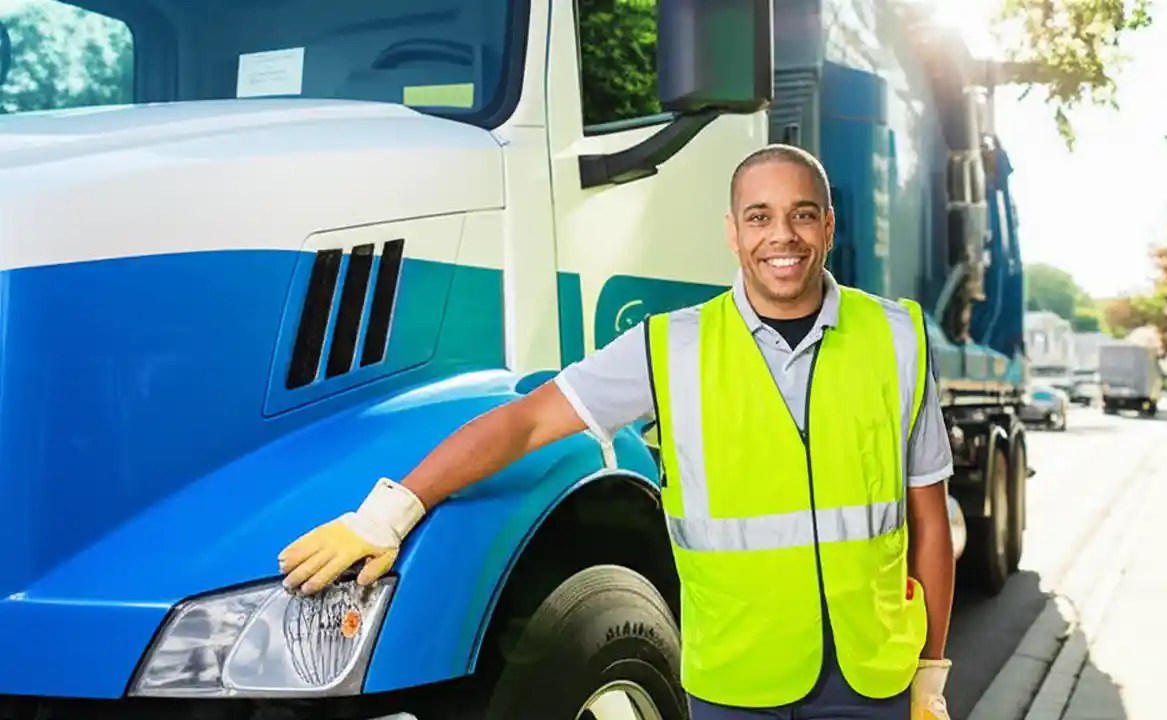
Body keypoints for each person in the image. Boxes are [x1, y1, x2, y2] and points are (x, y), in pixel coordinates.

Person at [278, 144, 957, 720]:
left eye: (801, 215)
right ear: (733, 232)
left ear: (829, 226)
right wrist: (393, 511)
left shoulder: (896, 340)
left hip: (876, 683)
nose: (782, 235)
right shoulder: (672, 347)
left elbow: (929, 521)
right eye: (760, 217)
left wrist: (931, 672)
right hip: (738, 683)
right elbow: (526, 423)